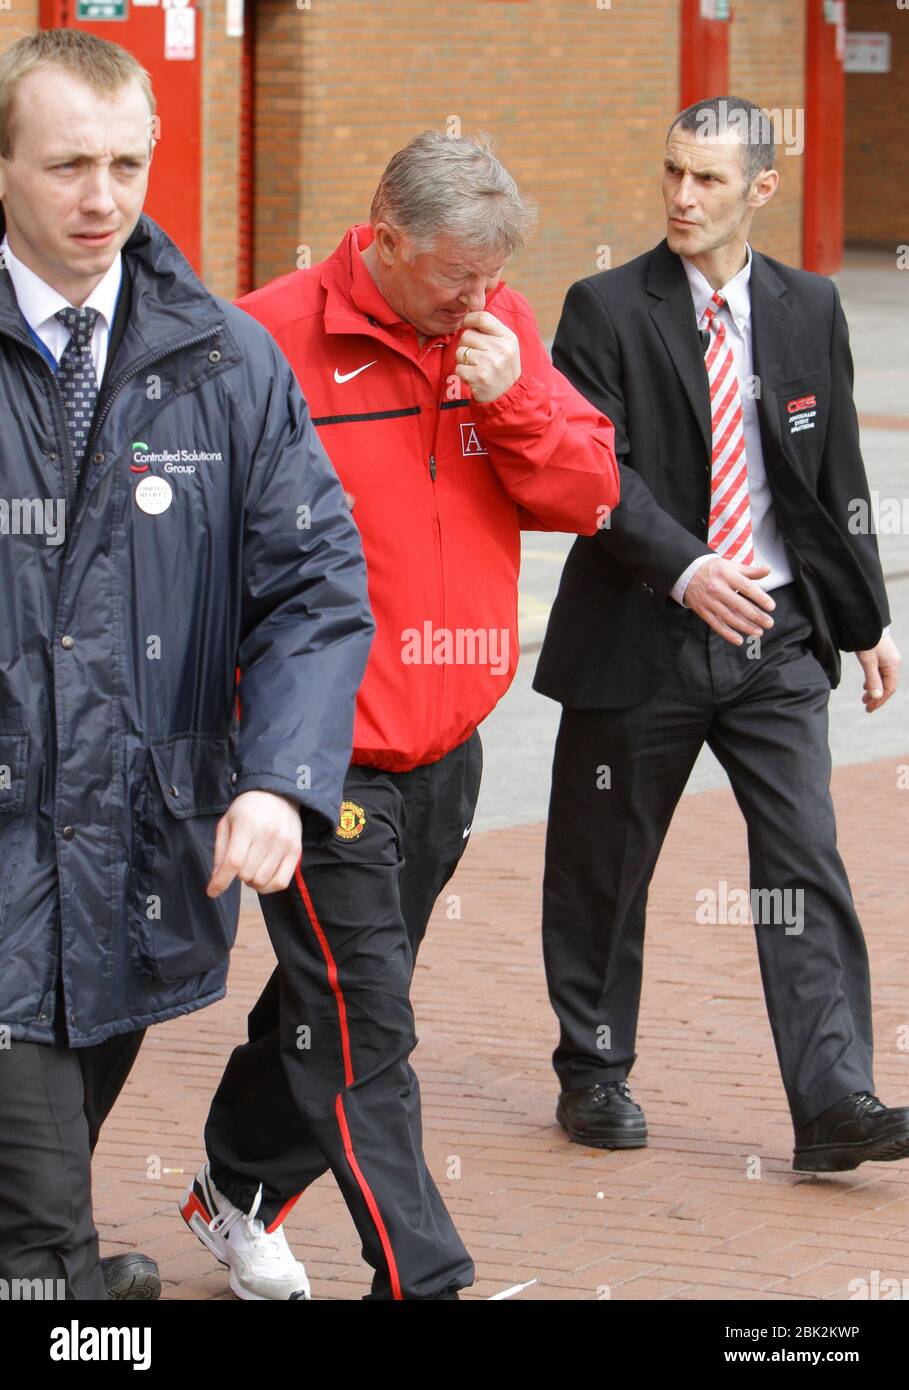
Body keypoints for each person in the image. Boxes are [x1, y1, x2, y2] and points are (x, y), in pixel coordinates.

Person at [182, 131, 620, 1300]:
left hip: (449, 751)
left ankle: (235, 1187)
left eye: (494, 278)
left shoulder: (498, 332)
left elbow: (591, 492)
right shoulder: (261, 339)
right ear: (383, 232)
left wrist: (514, 395)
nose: (479, 299)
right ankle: (423, 1278)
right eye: (455, 277)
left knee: (332, 993)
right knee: (369, 1019)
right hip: (319, 757)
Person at [0, 29, 373, 1302]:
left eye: (122, 163)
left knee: (44, 1158)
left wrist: (278, 777)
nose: (100, 197)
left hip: (137, 851)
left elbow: (317, 583)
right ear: (4, 166)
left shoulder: (224, 360)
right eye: (64, 166)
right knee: (37, 1242)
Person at [534, 95, 907, 1174]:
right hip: (644, 629)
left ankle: (835, 1101)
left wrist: (865, 617)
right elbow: (595, 477)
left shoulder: (810, 306)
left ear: (762, 189)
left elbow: (834, 471)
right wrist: (687, 568)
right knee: (604, 866)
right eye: (672, 175)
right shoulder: (604, 307)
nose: (683, 198)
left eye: (707, 179)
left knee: (806, 859)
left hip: (779, 643)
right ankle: (594, 1070)